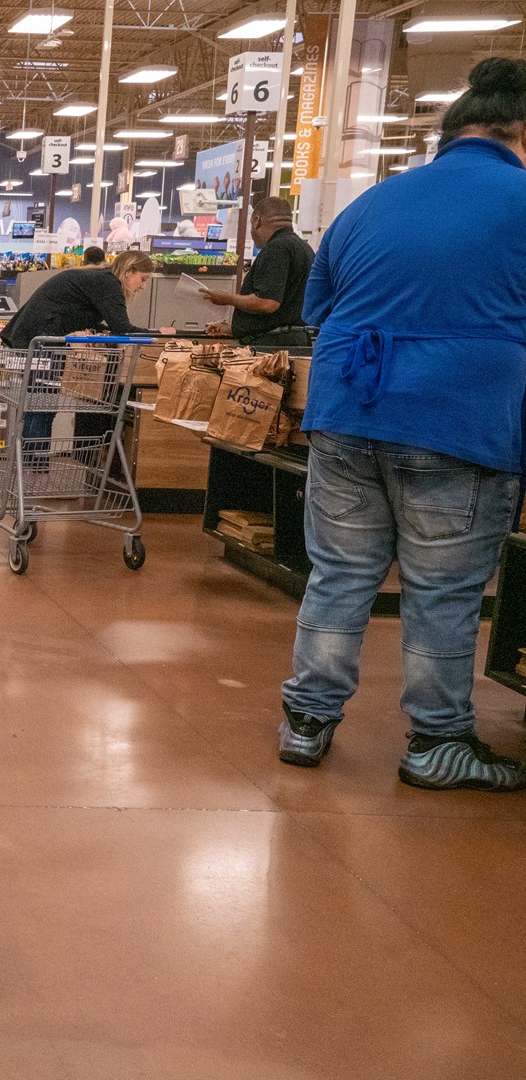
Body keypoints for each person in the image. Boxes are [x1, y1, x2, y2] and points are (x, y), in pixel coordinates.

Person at [276, 56, 526, 791]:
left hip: (347, 411)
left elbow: (318, 310)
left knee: (341, 573)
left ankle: (307, 722)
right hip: (459, 419)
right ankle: (437, 741)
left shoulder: (370, 204)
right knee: (442, 591)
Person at [0, 251, 163, 460]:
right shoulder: (108, 283)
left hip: (38, 338)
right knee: (42, 408)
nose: (143, 286)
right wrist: (158, 333)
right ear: (129, 271)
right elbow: (123, 328)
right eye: (143, 279)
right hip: (43, 341)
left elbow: (81, 314)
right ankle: (34, 472)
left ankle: (29, 470)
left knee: (36, 407)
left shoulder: (99, 277)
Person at [201, 195, 315, 346]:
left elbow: (268, 303)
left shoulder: (277, 248)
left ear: (257, 221)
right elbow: (285, 312)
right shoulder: (304, 248)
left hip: (273, 346)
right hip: (293, 340)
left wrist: (227, 298)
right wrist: (234, 329)